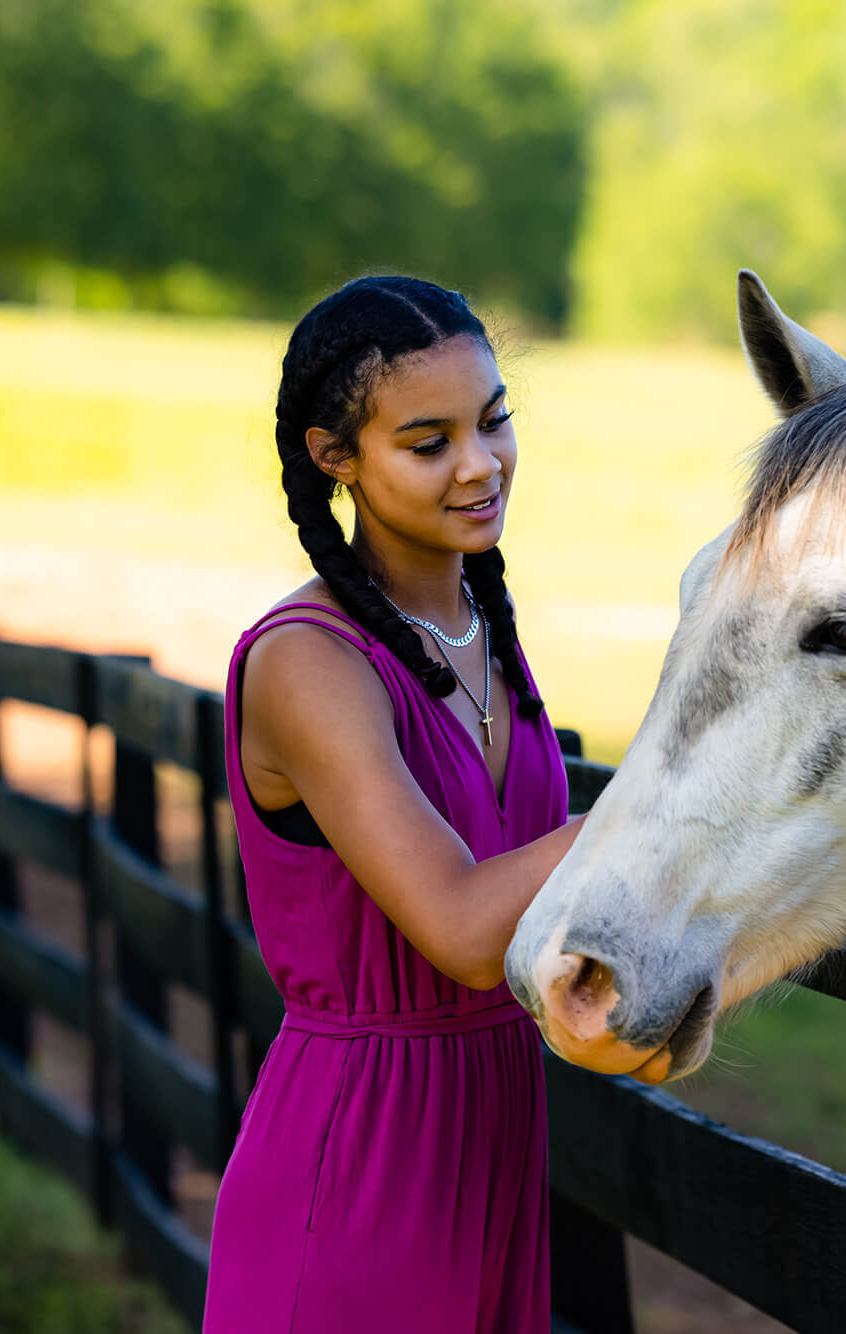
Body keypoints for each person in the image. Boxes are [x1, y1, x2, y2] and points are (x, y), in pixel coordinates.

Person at [203, 275, 584, 1332]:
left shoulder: (481, 629)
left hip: (495, 1138)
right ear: (335, 454)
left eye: (494, 420)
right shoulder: (306, 662)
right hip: (362, 1164)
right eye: (428, 442)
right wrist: (655, 811)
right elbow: (464, 927)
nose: (480, 464)